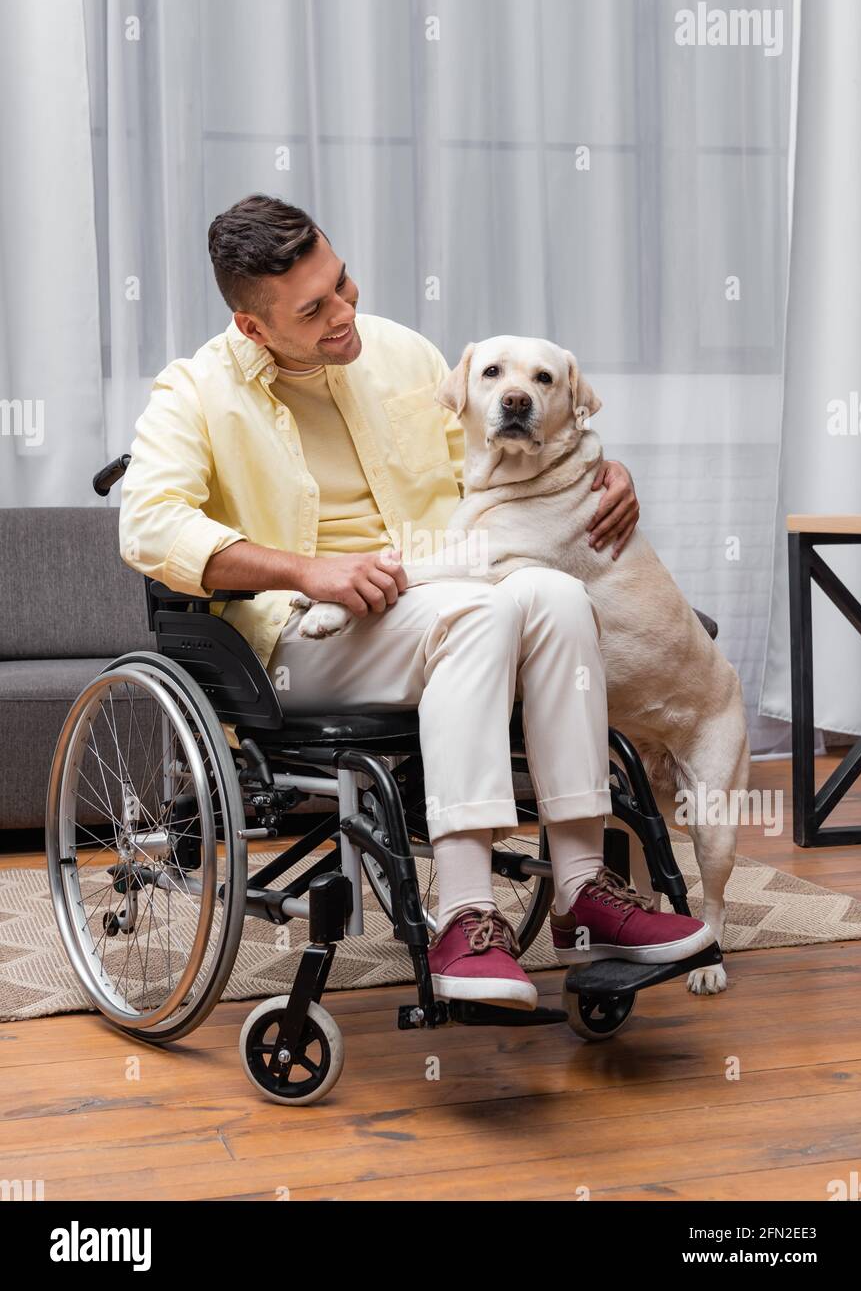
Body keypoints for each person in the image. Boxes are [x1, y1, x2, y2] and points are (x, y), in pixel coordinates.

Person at [119, 195, 711, 1012]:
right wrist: (310, 571)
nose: (345, 312)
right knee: (485, 611)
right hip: (303, 644)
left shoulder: (401, 354)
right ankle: (465, 913)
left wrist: (594, 471)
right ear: (254, 329)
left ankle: (582, 884)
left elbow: (500, 464)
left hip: (447, 597)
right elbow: (148, 525)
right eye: (314, 308)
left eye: (343, 282)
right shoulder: (193, 393)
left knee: (553, 591)